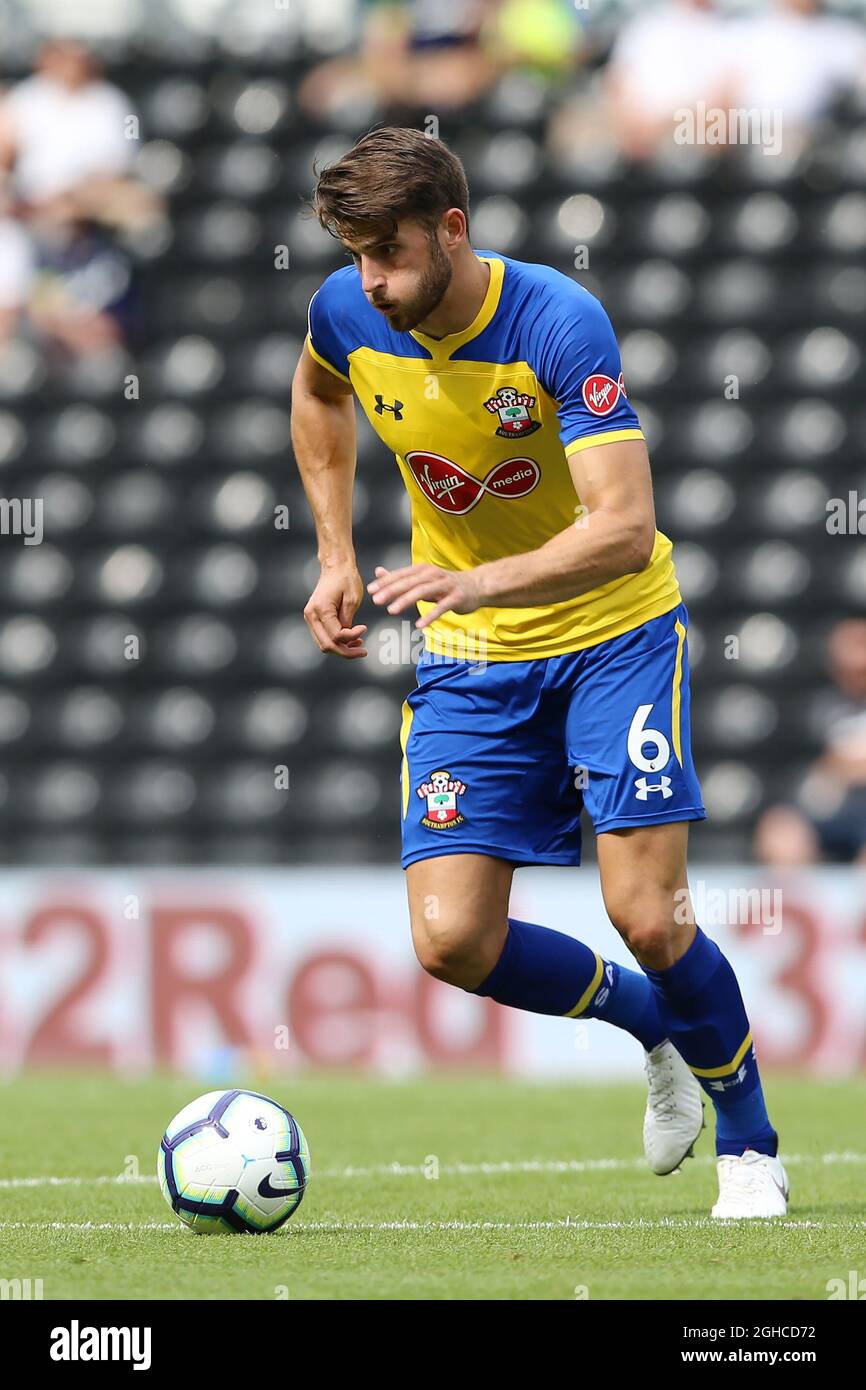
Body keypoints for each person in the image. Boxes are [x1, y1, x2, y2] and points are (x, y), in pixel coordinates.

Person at [291, 127, 788, 1219]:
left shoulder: (556, 322)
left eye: (387, 255)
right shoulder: (343, 310)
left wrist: (485, 580)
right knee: (449, 940)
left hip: (611, 632)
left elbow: (623, 526)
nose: (368, 282)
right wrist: (333, 551)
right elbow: (319, 397)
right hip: (473, 658)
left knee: (648, 917)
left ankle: (748, 1144)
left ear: (451, 230)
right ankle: (650, 1026)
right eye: (354, 254)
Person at [755, 619, 866, 866]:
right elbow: (811, 768)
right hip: (831, 804)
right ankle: (792, 903)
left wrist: (843, 766)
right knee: (781, 830)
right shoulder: (816, 709)